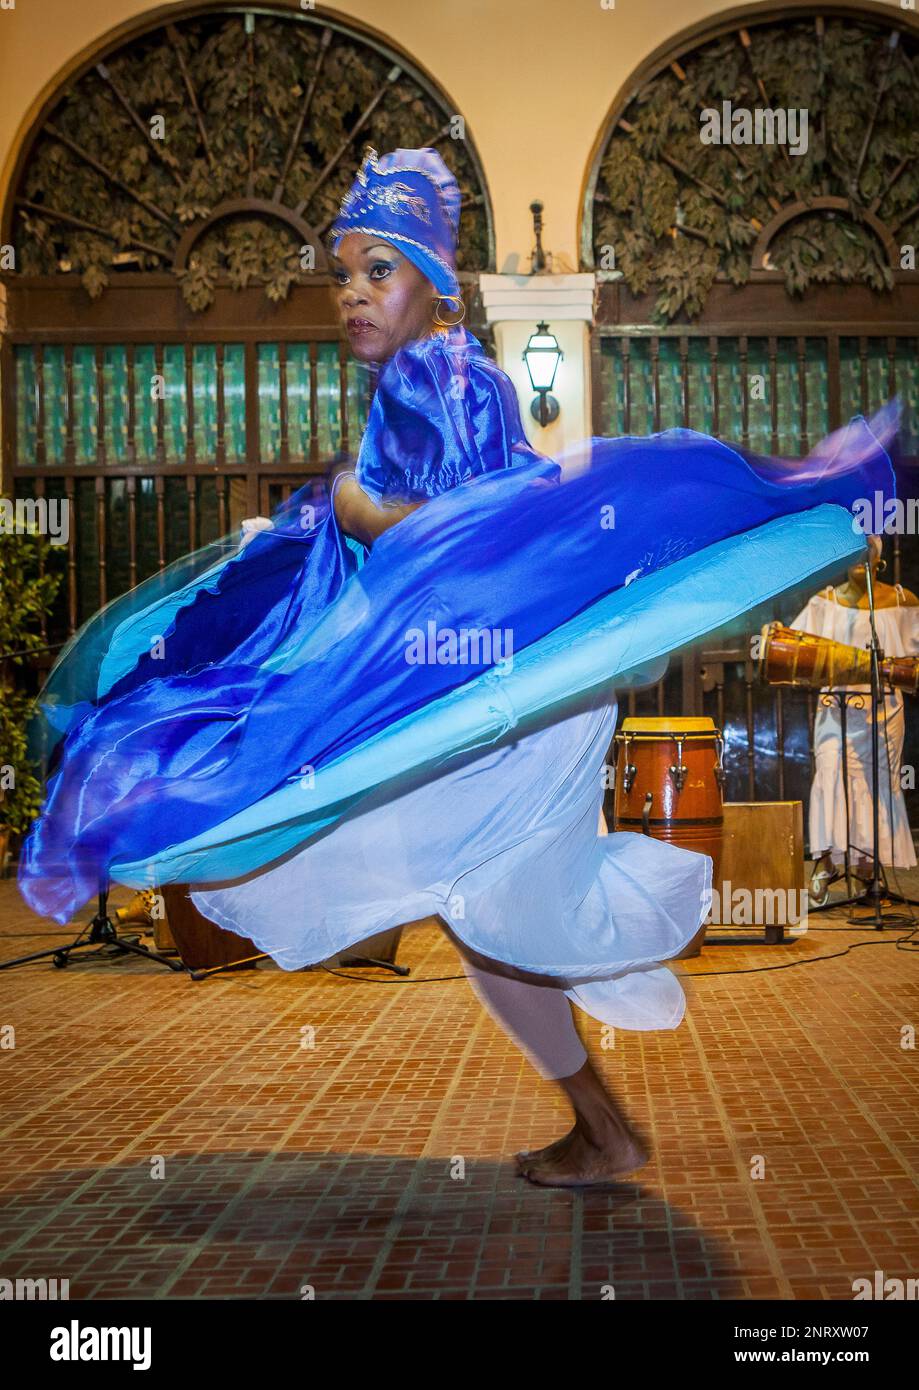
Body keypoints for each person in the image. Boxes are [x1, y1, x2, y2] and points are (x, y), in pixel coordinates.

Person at [19, 147, 898, 1187]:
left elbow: (463, 544)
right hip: (503, 689)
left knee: (467, 893)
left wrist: (355, 509)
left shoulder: (434, 374)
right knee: (475, 902)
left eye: (377, 270)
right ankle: (603, 1126)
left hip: (500, 699)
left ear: (433, 284)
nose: (352, 292)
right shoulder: (446, 373)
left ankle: (605, 1121)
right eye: (341, 274)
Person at [790, 535, 919, 905]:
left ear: (878, 561)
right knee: (831, 774)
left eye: (866, 554)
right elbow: (796, 653)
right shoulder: (824, 603)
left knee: (876, 783)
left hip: (884, 710)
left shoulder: (902, 601)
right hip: (836, 707)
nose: (859, 560)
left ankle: (865, 869)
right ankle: (827, 863)